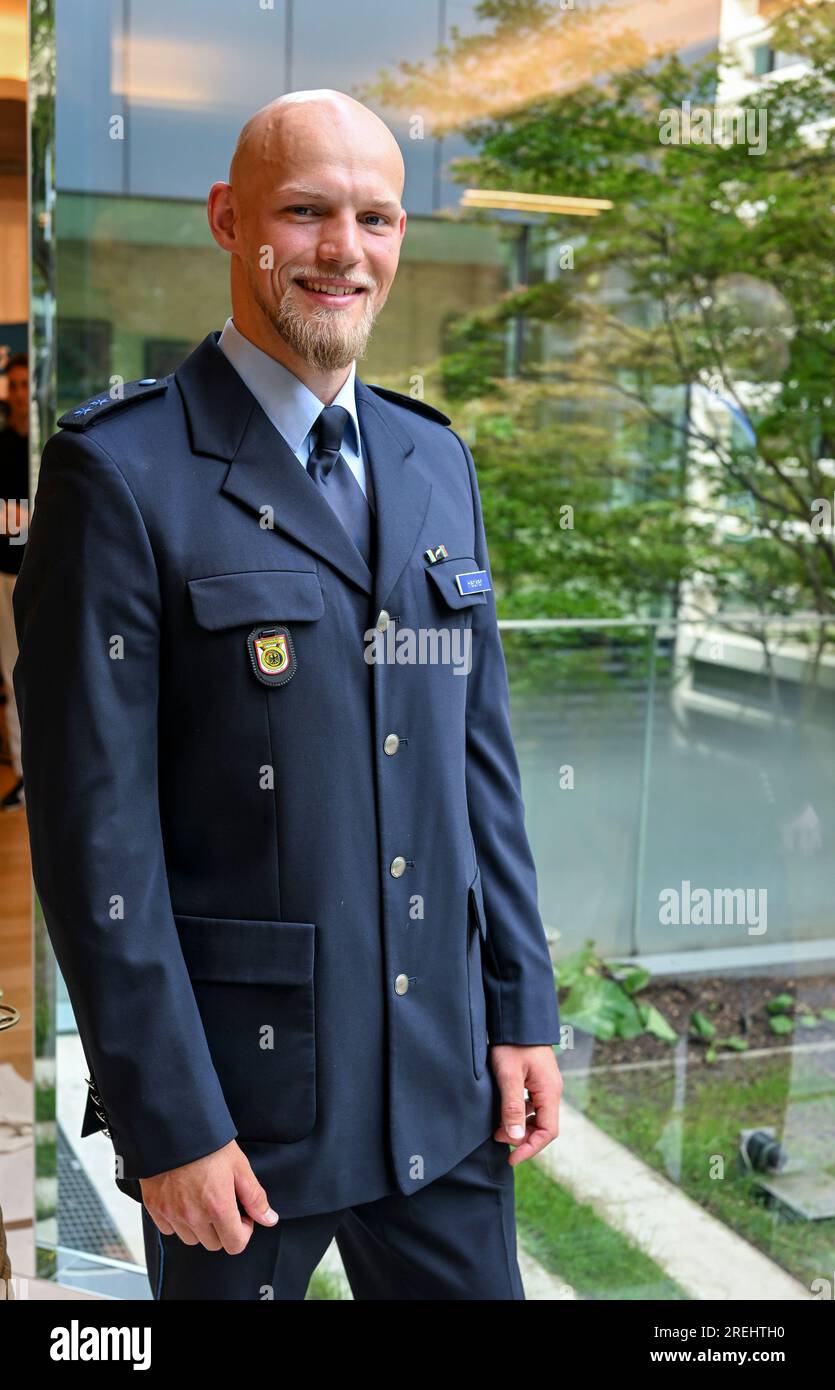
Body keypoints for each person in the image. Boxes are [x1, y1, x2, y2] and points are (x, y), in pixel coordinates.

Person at [13, 90, 562, 1301]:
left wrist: (523, 1009)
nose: (342, 250)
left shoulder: (435, 458)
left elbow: (480, 766)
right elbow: (96, 837)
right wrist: (166, 1117)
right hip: (241, 1114)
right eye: (305, 212)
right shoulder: (118, 473)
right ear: (229, 220)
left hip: (444, 1086)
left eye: (376, 218)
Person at [0, 353, 29, 811]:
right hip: (8, 572)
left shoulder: (53, 441)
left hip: (52, 571)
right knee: (13, 671)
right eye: (15, 386)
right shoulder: (2, 445)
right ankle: (25, 775)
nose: (22, 395)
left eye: (27, 385)